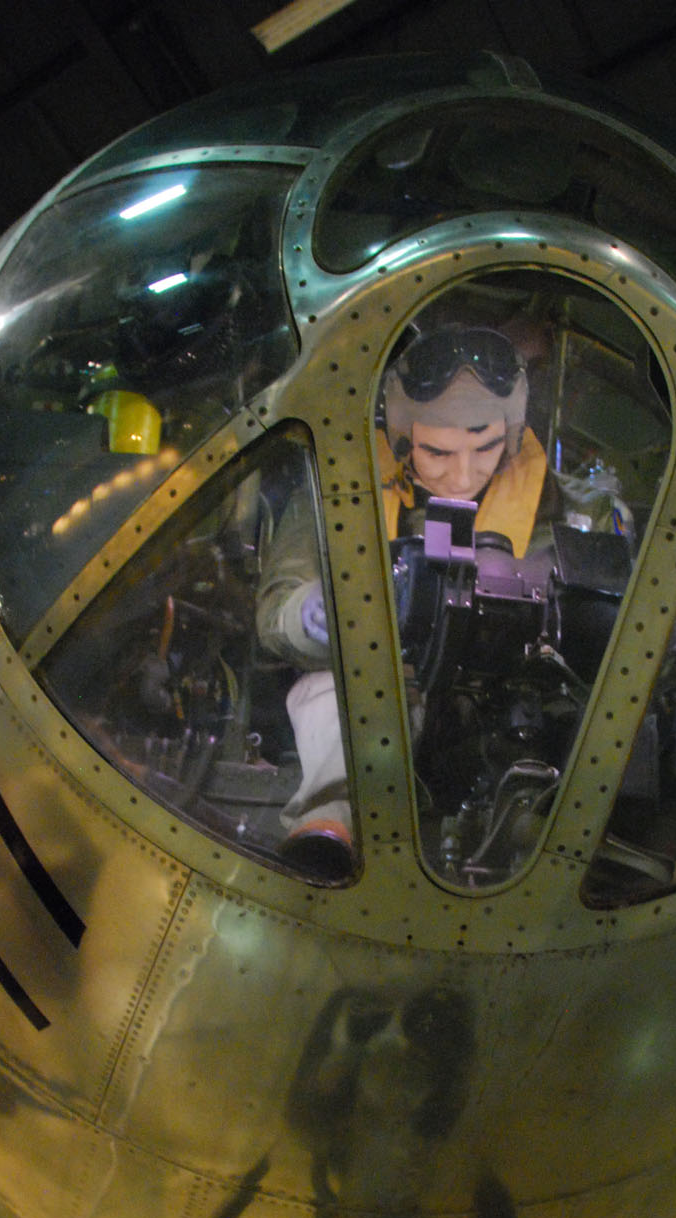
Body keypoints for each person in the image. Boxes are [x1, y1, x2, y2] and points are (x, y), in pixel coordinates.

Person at [257, 324, 647, 878]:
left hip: (520, 710)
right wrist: (306, 613)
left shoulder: (581, 513)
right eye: (436, 451)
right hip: (387, 684)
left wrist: (672, 634)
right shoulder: (341, 493)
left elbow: (629, 627)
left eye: (484, 447)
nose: (461, 474)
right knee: (331, 693)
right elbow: (276, 606)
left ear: (511, 435)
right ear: (400, 436)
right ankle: (335, 821)